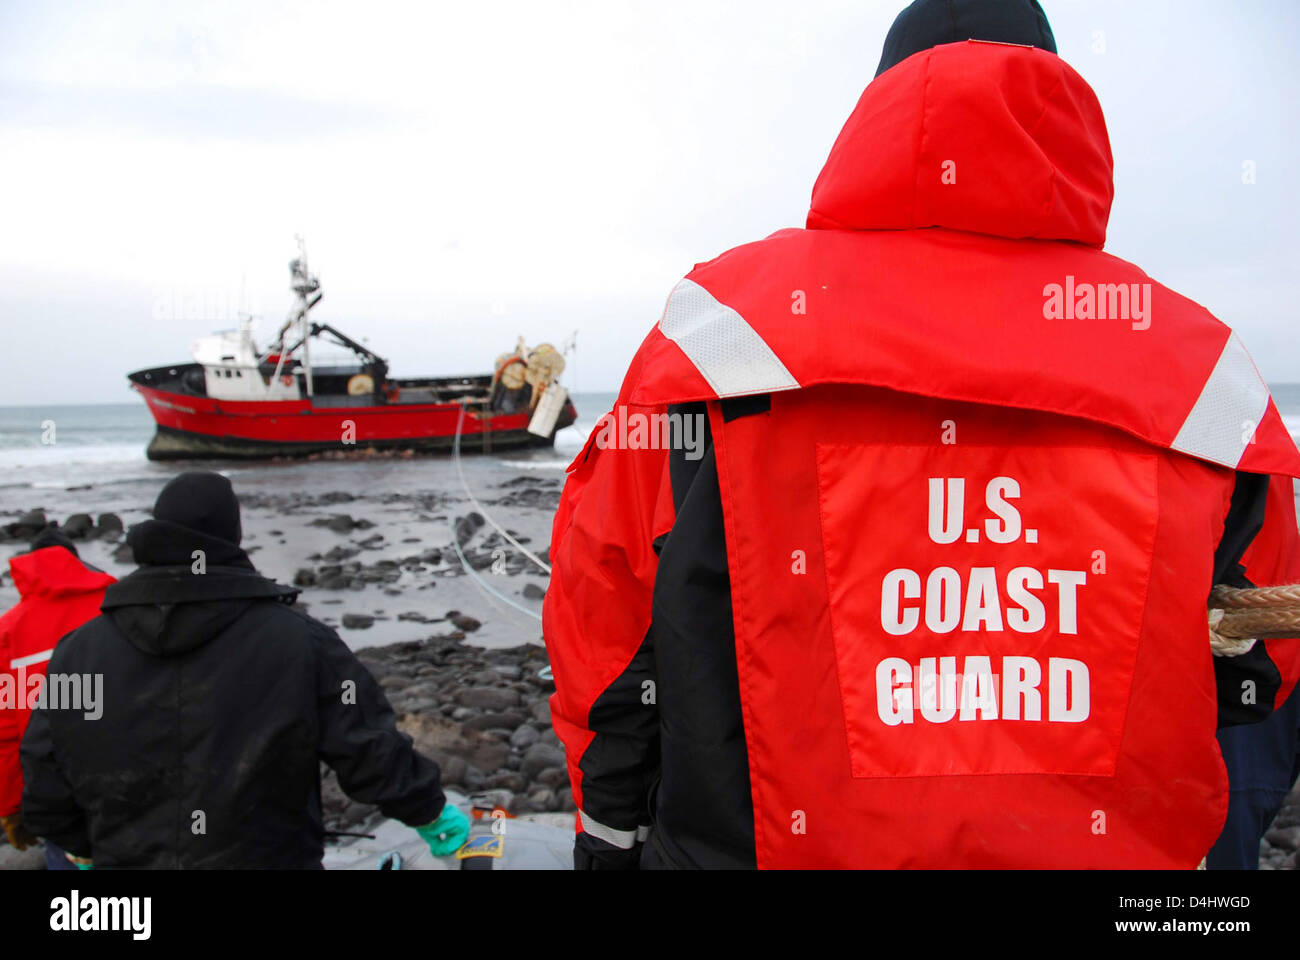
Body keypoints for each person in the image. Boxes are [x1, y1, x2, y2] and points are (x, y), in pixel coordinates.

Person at [542, 0, 1300, 869]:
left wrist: (608, 830)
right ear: (1063, 103)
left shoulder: (719, 332)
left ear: (879, 107)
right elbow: (1258, 661)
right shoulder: (1202, 371)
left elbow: (605, 617)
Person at [20, 471, 469, 868]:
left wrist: (80, 845)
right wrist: (430, 811)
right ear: (230, 537)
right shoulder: (298, 641)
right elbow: (367, 746)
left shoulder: (77, 652)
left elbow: (44, 761)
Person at [0, 527, 114, 869]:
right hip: (127, 780)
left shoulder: (9, 631)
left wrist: (11, 808)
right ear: (77, 563)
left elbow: (5, 733)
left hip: (54, 790)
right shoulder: (115, 606)